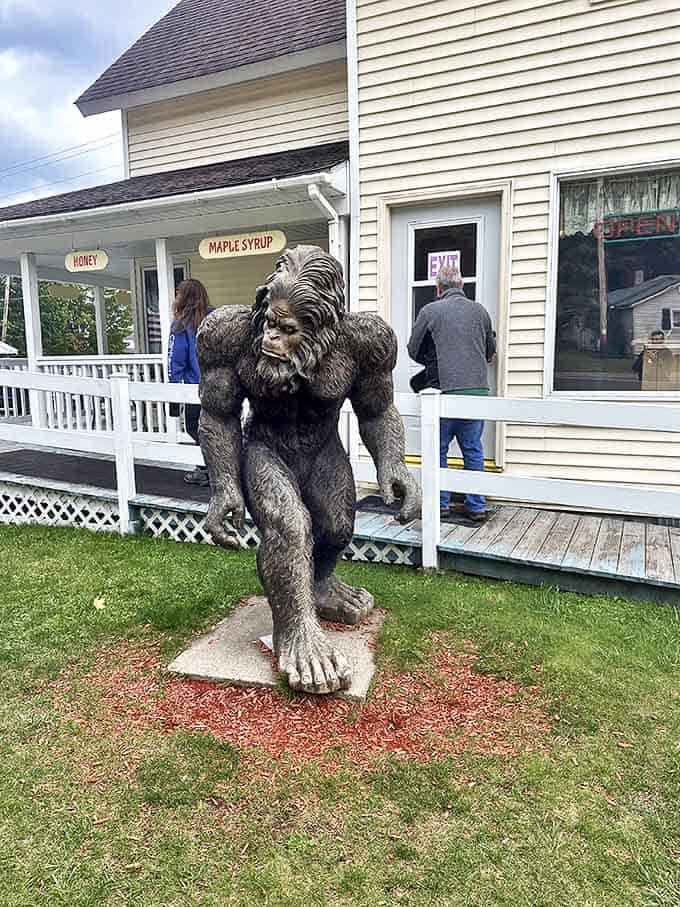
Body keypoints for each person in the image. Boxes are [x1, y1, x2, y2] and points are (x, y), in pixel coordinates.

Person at [407, 264, 496, 521]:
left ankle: (441, 504)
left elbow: (413, 349)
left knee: (439, 449)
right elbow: (490, 351)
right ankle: (476, 507)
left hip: (443, 391)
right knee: (473, 450)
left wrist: (433, 359)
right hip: (477, 392)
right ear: (462, 286)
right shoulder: (480, 311)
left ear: (438, 288)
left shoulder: (430, 311)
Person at [168, 278, 213, 485]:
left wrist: (173, 395)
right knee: (219, 430)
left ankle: (206, 469)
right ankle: (212, 469)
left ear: (184, 297)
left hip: (195, 390)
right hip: (220, 388)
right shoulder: (215, 318)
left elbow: (175, 361)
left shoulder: (180, 326)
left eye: (178, 293)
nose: (176, 297)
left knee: (194, 428)